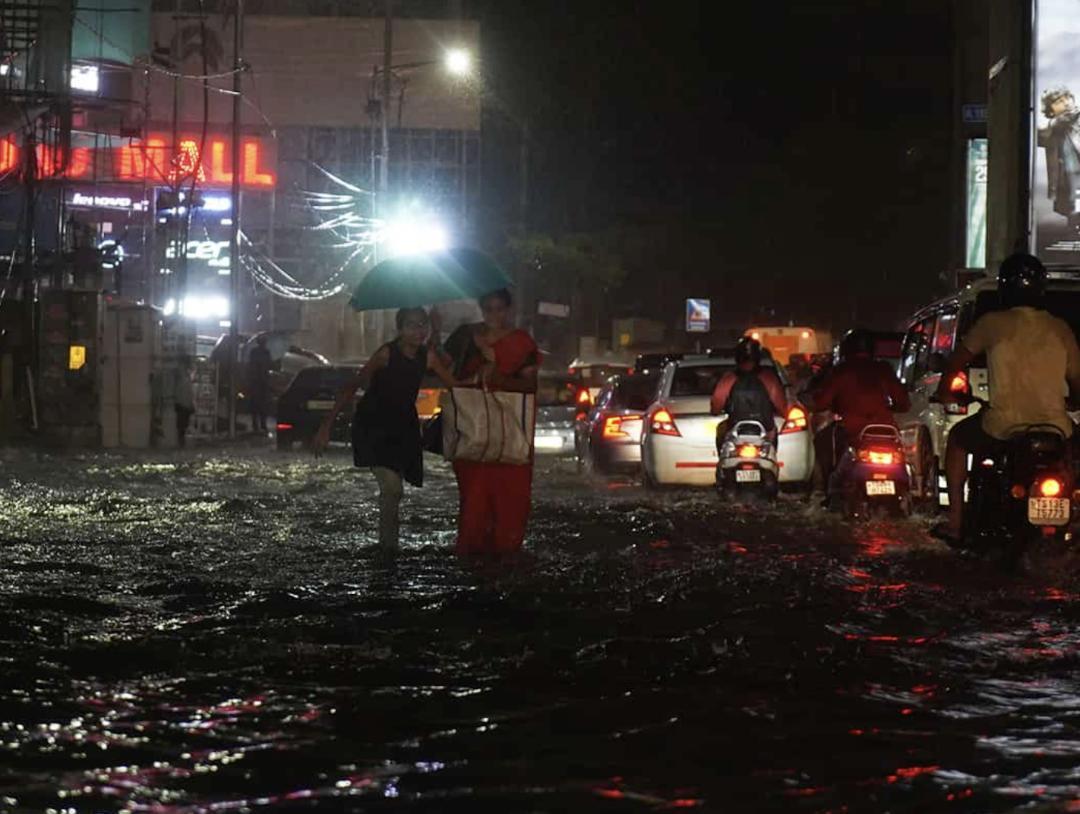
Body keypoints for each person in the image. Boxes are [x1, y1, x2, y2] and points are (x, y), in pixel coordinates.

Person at [934, 253, 1080, 543]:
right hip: (1057, 427)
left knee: (958, 440)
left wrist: (945, 392)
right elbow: (1077, 381)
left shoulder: (991, 323)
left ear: (1004, 287)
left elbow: (955, 364)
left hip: (1002, 426)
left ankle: (956, 522)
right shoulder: (1059, 328)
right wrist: (1073, 401)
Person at [313, 308, 457, 550]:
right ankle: (387, 550)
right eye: (411, 325)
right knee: (392, 488)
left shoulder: (428, 356)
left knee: (395, 492)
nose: (418, 330)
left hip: (404, 428)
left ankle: (389, 546)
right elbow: (353, 386)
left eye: (422, 324)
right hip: (374, 425)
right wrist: (326, 425)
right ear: (399, 329)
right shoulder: (386, 354)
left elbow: (453, 383)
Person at [443, 289, 540, 555]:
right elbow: (439, 367)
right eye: (489, 309)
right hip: (472, 430)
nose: (494, 315)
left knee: (511, 501)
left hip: (510, 433)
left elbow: (530, 385)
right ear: (481, 309)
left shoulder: (521, 343)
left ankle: (506, 554)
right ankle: (472, 555)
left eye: (500, 309)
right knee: (473, 502)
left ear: (508, 310)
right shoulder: (465, 336)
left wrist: (498, 377)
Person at [809, 330, 910, 491]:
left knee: (821, 440)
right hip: (885, 432)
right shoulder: (883, 369)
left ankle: (825, 490)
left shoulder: (842, 371)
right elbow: (904, 403)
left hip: (852, 433)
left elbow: (821, 402)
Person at [710, 336, 787, 443]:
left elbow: (716, 406)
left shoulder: (729, 378)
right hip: (765, 430)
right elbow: (782, 407)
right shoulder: (769, 378)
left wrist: (717, 411)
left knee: (721, 429)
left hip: (735, 429)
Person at [1038, 86, 1080, 233]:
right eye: (1059, 101)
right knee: (1070, 202)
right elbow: (1040, 137)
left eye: (1067, 98)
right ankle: (1074, 226)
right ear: (1051, 110)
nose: (1065, 103)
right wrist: (1054, 123)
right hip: (1066, 172)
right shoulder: (1053, 127)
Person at [247, 335, 273, 433]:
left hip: (260, 381)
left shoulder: (261, 352)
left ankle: (260, 424)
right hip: (258, 381)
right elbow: (254, 366)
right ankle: (259, 424)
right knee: (259, 404)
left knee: (260, 404)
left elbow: (268, 365)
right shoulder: (260, 352)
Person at [174, 354, 195, 449]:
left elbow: (187, 392)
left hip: (182, 404)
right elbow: (188, 392)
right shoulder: (185, 377)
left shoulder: (183, 376)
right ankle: (182, 442)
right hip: (184, 404)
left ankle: (181, 442)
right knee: (183, 425)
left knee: (182, 425)